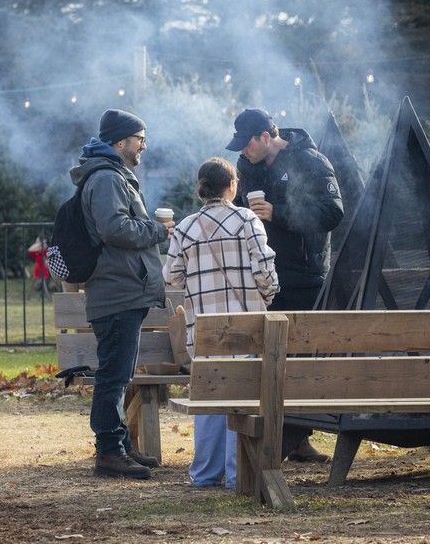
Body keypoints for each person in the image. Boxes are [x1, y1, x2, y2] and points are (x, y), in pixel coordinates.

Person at [226, 107, 344, 462]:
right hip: (261, 276)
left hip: (303, 276)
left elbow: (333, 213)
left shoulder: (311, 161)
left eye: (246, 144)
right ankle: (284, 438)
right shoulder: (248, 167)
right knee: (268, 359)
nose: (242, 153)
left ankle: (294, 437)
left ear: (266, 136)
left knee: (297, 359)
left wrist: (278, 213)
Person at [163, 157, 279, 488]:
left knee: (210, 397)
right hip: (246, 328)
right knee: (241, 397)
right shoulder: (247, 220)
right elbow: (265, 272)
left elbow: (171, 276)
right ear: (232, 186)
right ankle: (235, 474)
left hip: (205, 330)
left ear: (201, 189)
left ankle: (204, 473)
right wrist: (268, 294)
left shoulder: (185, 227)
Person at [73, 108, 174, 480]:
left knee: (119, 373)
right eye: (140, 139)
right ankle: (109, 453)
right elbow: (115, 228)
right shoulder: (106, 178)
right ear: (120, 141)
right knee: (113, 377)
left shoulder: (113, 176)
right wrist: (158, 232)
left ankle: (120, 447)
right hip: (117, 291)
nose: (144, 146)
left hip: (123, 289)